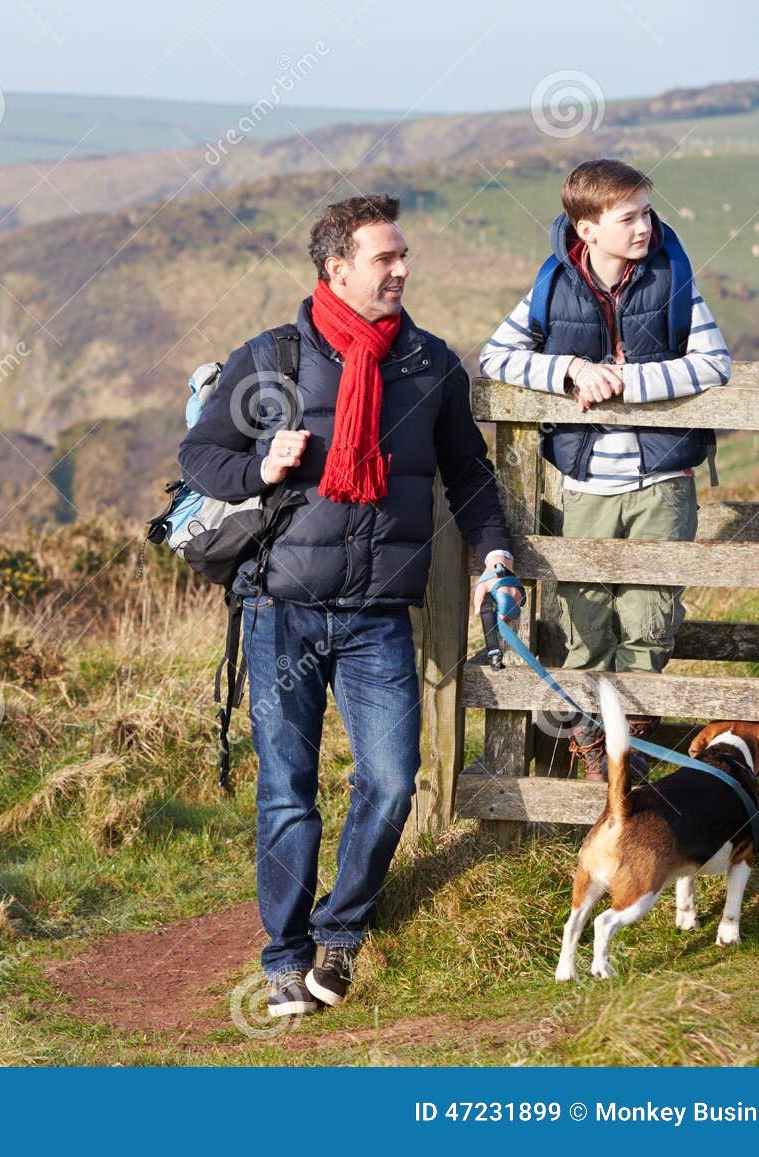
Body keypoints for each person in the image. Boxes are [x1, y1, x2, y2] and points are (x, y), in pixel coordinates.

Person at [179, 194, 517, 1018]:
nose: (402, 270)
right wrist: (261, 466)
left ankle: (343, 927)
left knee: (394, 780)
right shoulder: (273, 358)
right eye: (385, 259)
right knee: (289, 790)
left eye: (404, 257)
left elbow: (469, 474)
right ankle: (285, 956)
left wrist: (496, 552)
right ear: (337, 270)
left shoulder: (429, 366)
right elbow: (199, 457)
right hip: (280, 608)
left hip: (375, 615)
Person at [477, 159, 732, 783]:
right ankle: (595, 759)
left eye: (646, 212)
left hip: (663, 482)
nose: (645, 226)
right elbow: (493, 356)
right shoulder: (552, 287)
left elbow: (715, 364)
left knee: (648, 624)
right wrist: (568, 370)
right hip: (585, 483)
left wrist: (626, 383)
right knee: (584, 626)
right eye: (628, 217)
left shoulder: (673, 279)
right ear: (586, 229)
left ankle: (633, 762)